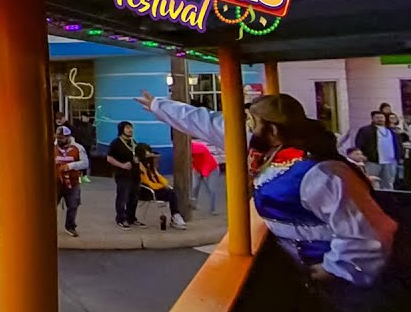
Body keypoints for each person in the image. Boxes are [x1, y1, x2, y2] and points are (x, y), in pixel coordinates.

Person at [136, 90, 397, 284]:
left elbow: (371, 233)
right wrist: (160, 106)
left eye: (251, 122)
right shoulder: (267, 148)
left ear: (271, 130)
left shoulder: (323, 173)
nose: (245, 127)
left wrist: (333, 269)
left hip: (335, 281)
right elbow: (210, 123)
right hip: (297, 271)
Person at [134, 144, 187, 230]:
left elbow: (158, 177)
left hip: (156, 189)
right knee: (171, 194)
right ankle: (175, 216)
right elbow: (147, 182)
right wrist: (160, 186)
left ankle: (175, 215)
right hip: (147, 191)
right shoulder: (139, 166)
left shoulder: (150, 165)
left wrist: (164, 184)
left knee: (171, 192)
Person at [107, 121, 144, 229]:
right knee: (123, 197)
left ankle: (131, 218)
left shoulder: (133, 142)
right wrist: (122, 165)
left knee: (134, 197)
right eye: (127, 128)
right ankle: (121, 219)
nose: (130, 130)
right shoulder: (116, 143)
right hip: (123, 174)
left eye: (131, 128)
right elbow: (109, 158)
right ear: (121, 129)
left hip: (135, 174)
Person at [54, 125, 89, 237]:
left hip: (72, 182)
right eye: (58, 137)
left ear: (68, 137)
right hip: (55, 183)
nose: (59, 140)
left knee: (73, 205)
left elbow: (85, 163)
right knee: (50, 206)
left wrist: (70, 166)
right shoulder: (52, 147)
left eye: (62, 138)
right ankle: (50, 226)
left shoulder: (78, 148)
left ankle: (70, 226)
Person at [355, 111, 399, 190]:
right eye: (377, 117)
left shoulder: (391, 131)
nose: (380, 119)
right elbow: (359, 144)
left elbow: (398, 145)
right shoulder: (365, 130)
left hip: (390, 162)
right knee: (370, 183)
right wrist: (362, 156)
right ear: (372, 119)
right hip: (373, 161)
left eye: (382, 117)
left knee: (388, 184)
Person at [191, 139, 222, 215]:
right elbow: (191, 163)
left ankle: (213, 209)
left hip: (211, 169)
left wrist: (204, 175)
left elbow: (207, 163)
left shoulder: (201, 149)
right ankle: (193, 205)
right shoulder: (191, 151)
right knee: (195, 187)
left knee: (211, 189)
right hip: (198, 168)